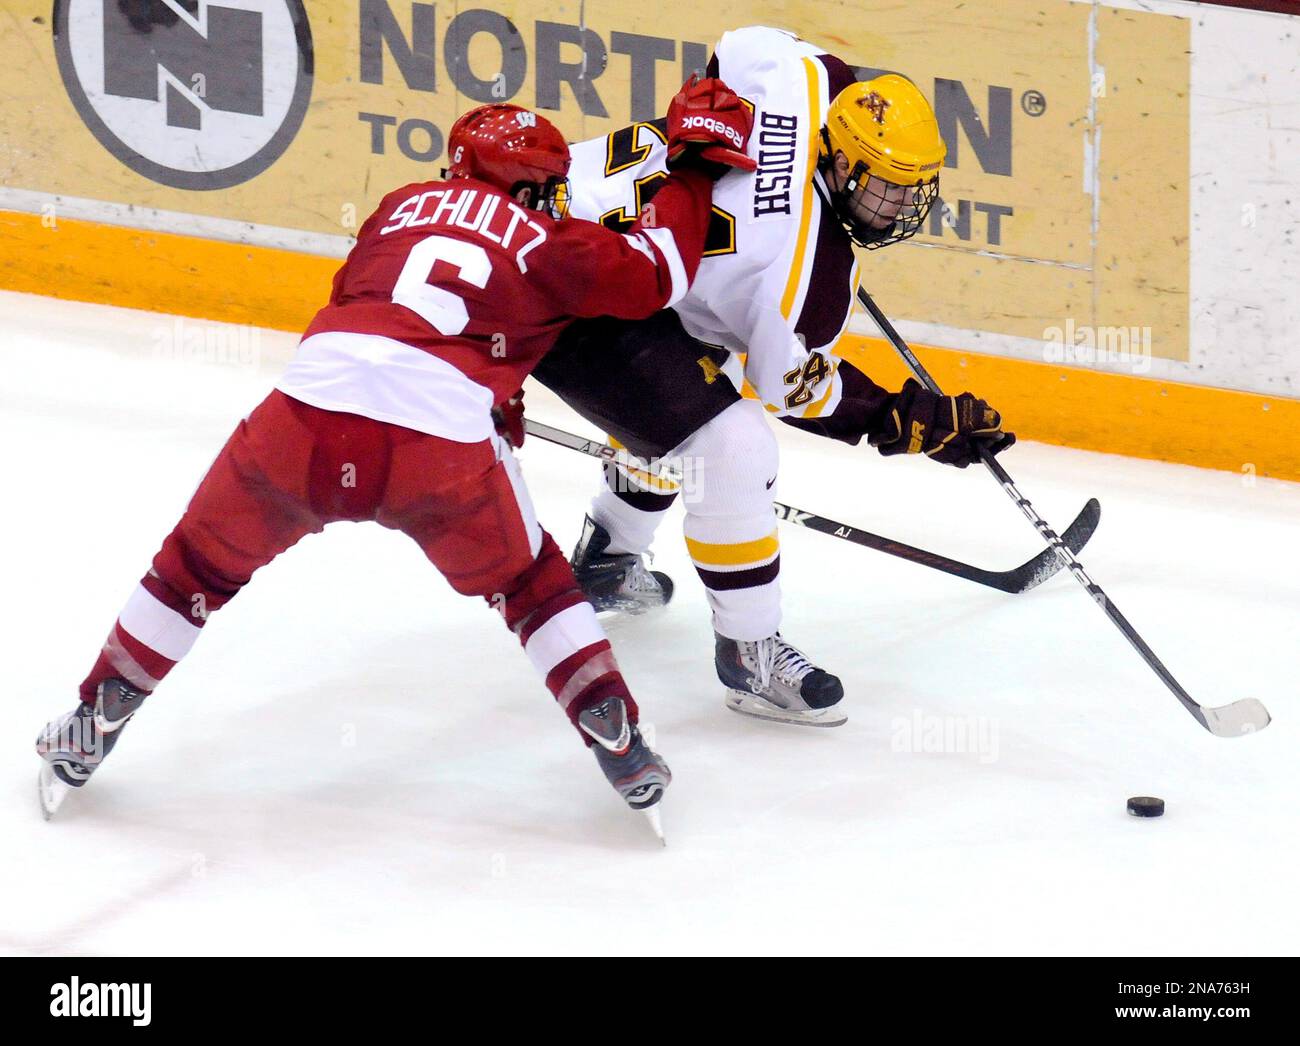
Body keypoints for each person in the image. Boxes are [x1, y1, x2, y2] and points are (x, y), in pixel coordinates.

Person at [35, 78, 757, 828]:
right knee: (534, 589)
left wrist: (496, 395)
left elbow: (372, 304)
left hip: (304, 418)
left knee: (194, 569)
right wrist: (695, 166)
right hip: (437, 448)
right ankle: (618, 734)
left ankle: (97, 714)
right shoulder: (550, 240)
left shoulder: (396, 209)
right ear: (536, 188)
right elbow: (658, 272)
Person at [532, 26, 1013, 728]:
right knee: (731, 445)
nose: (900, 209)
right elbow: (796, 389)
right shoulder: (797, 274)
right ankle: (750, 657)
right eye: (883, 190)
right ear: (842, 163)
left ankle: (607, 560)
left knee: (696, 377)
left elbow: (740, 45)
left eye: (910, 190)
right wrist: (902, 419)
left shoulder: (804, 80)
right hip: (554, 288)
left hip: (536, 213)